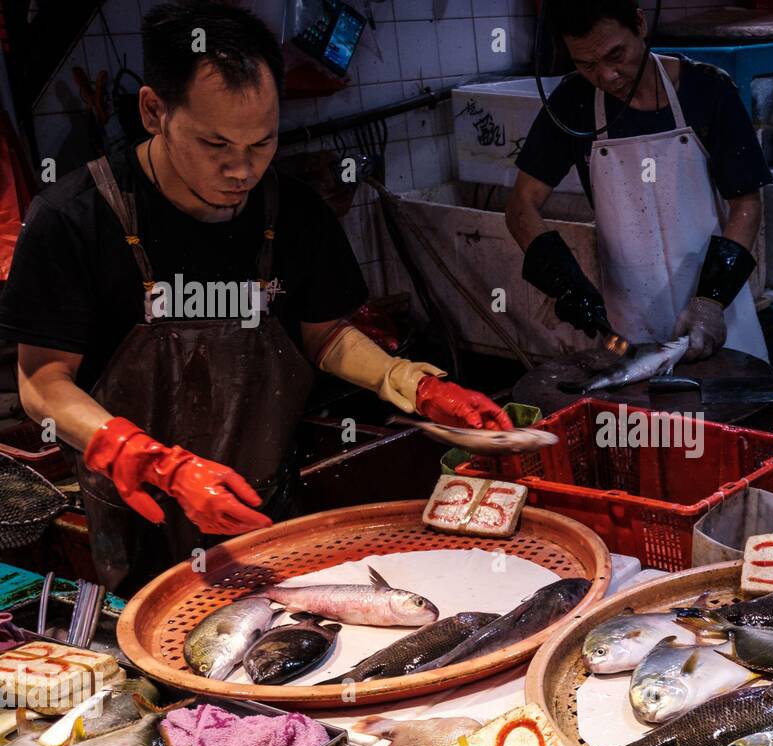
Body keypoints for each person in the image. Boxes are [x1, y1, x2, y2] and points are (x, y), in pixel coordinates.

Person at [0, 1, 509, 594]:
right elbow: (42, 385)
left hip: (268, 508)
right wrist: (150, 461)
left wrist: (415, 384)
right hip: (140, 521)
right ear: (153, 111)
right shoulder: (74, 219)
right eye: (215, 144)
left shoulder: (292, 210)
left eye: (262, 143)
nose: (241, 170)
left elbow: (326, 338)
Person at [506, 0, 770, 361]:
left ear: (640, 25)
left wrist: (710, 301)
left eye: (616, 55)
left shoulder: (707, 90)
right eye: (586, 64)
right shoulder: (573, 103)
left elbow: (746, 202)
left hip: (719, 311)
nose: (607, 76)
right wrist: (567, 286)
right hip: (629, 327)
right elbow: (522, 204)